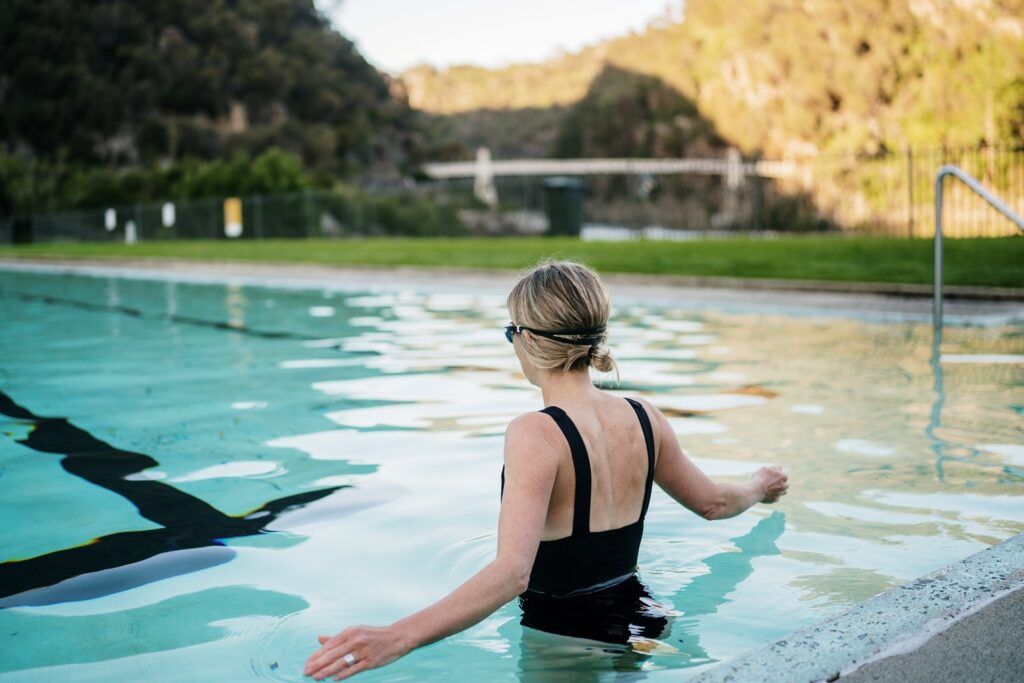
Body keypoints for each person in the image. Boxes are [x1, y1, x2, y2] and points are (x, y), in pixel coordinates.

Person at [303, 259, 789, 681]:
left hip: (564, 638)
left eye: (510, 332)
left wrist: (398, 636)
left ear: (529, 339)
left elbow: (512, 574)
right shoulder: (644, 416)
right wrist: (759, 485)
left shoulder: (535, 434)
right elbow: (713, 504)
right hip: (643, 616)